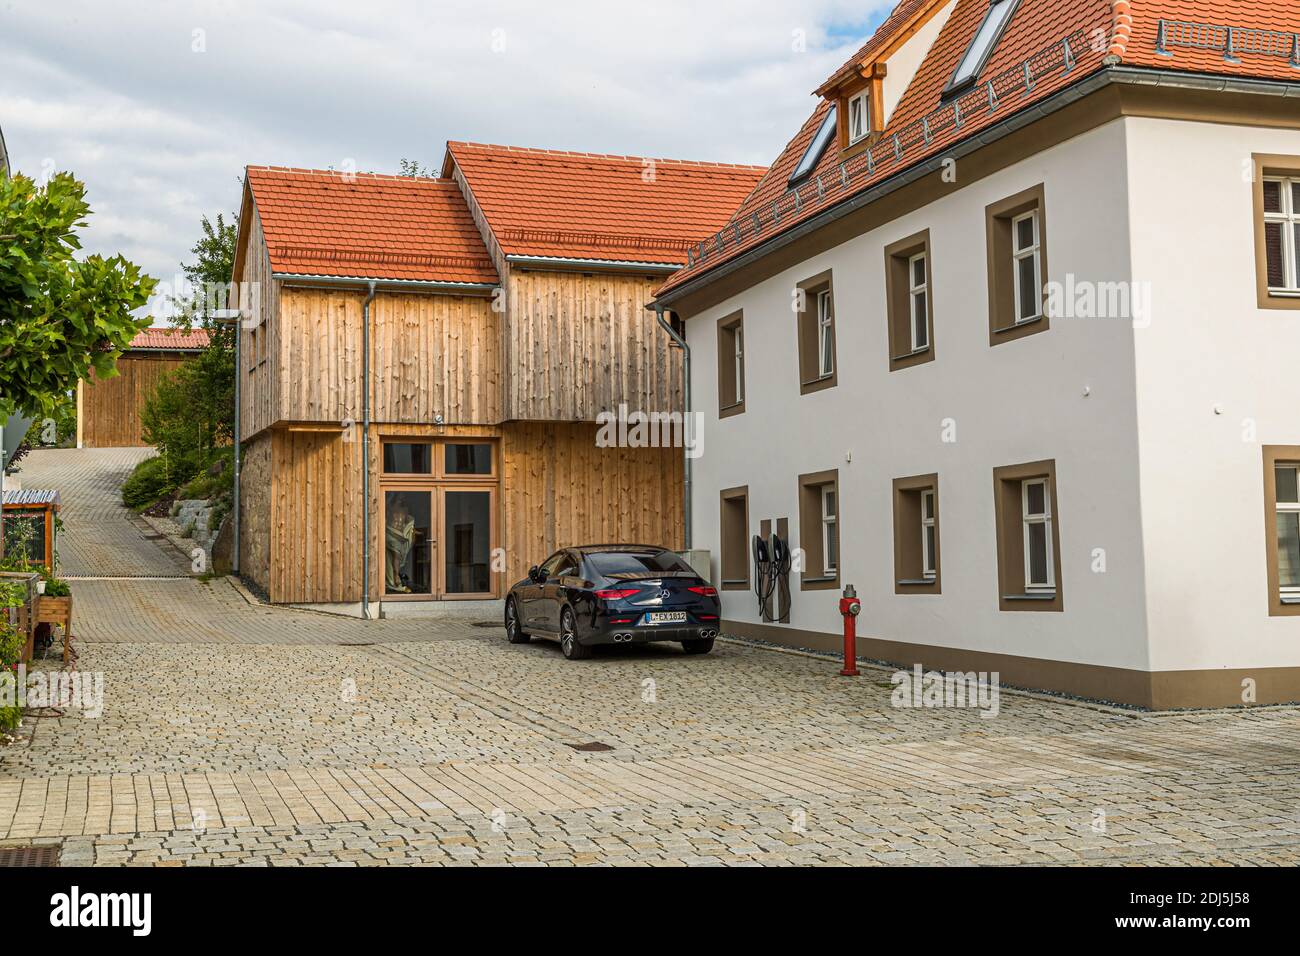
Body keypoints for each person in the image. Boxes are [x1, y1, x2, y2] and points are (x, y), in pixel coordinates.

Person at [385, 497, 417, 593]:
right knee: (396, 553)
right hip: (390, 533)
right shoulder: (389, 510)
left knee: (397, 555)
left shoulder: (405, 511)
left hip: (400, 536)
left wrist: (411, 531)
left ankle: (395, 576)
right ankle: (395, 576)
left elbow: (408, 523)